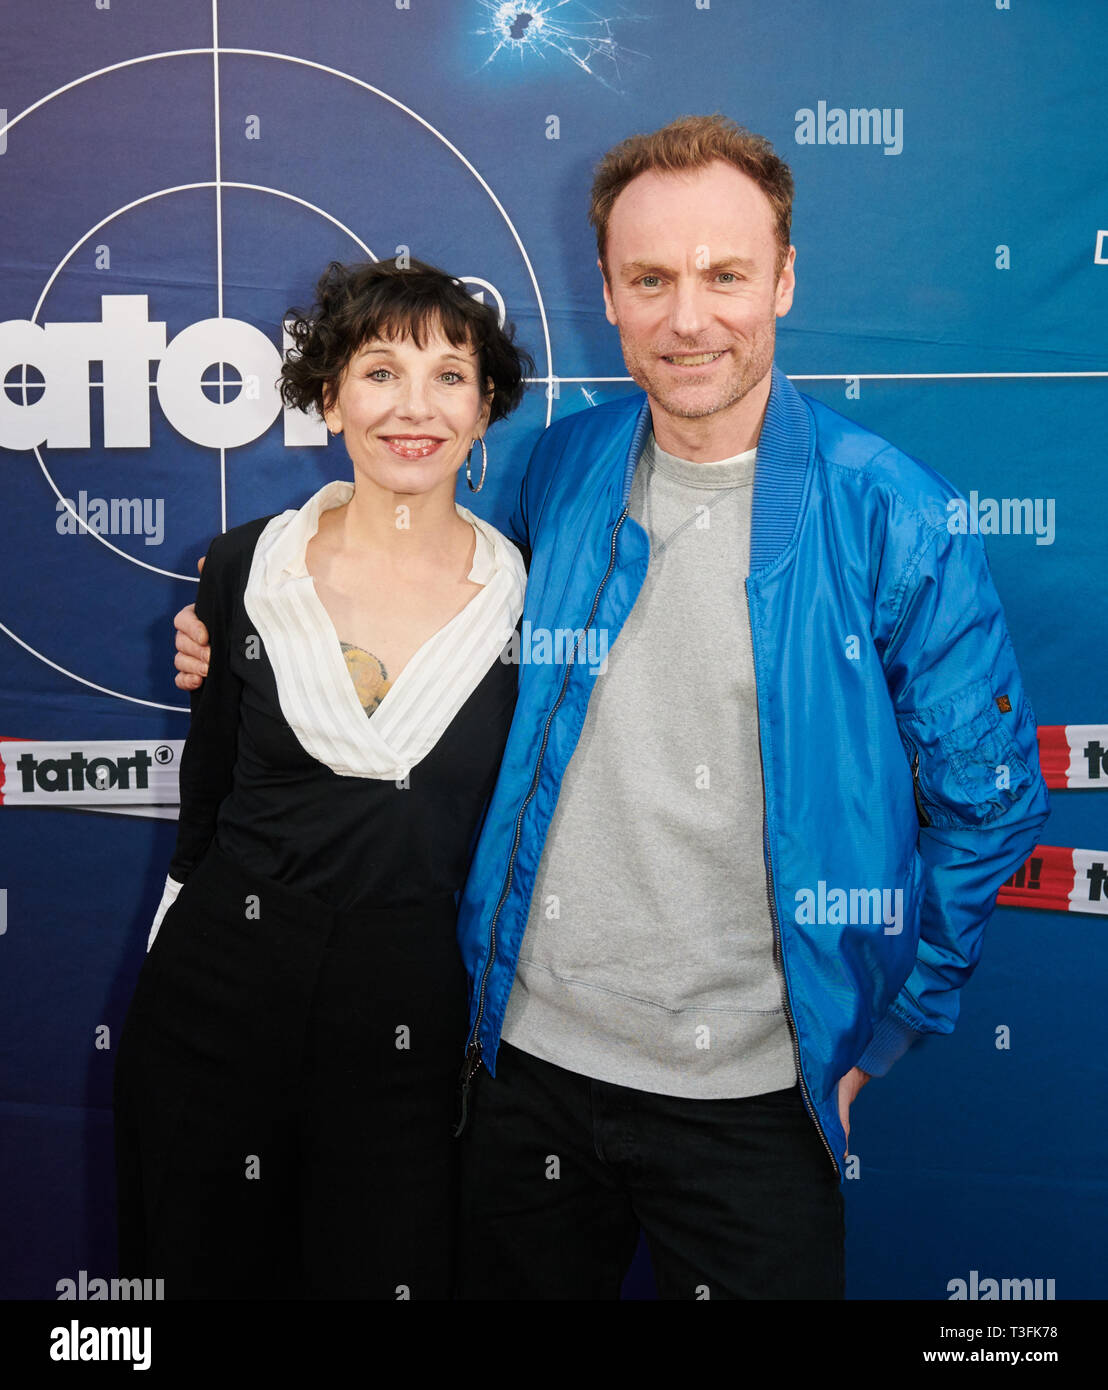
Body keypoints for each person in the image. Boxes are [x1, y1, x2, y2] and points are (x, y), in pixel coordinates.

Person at [175, 116, 1051, 1300]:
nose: (688, 317)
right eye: (651, 279)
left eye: (724, 275)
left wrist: (878, 1036)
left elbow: (990, 803)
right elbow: (429, 604)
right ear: (609, 295)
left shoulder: (892, 518)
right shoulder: (562, 469)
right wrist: (240, 634)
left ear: (784, 278)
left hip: (754, 1107)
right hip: (520, 1076)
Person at [116, 256, 532, 1299]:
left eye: (449, 375)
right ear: (329, 397)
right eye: (380, 370)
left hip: (415, 1028)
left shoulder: (532, 596)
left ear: (485, 411)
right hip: (214, 1004)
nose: (414, 406)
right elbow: (203, 805)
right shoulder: (242, 565)